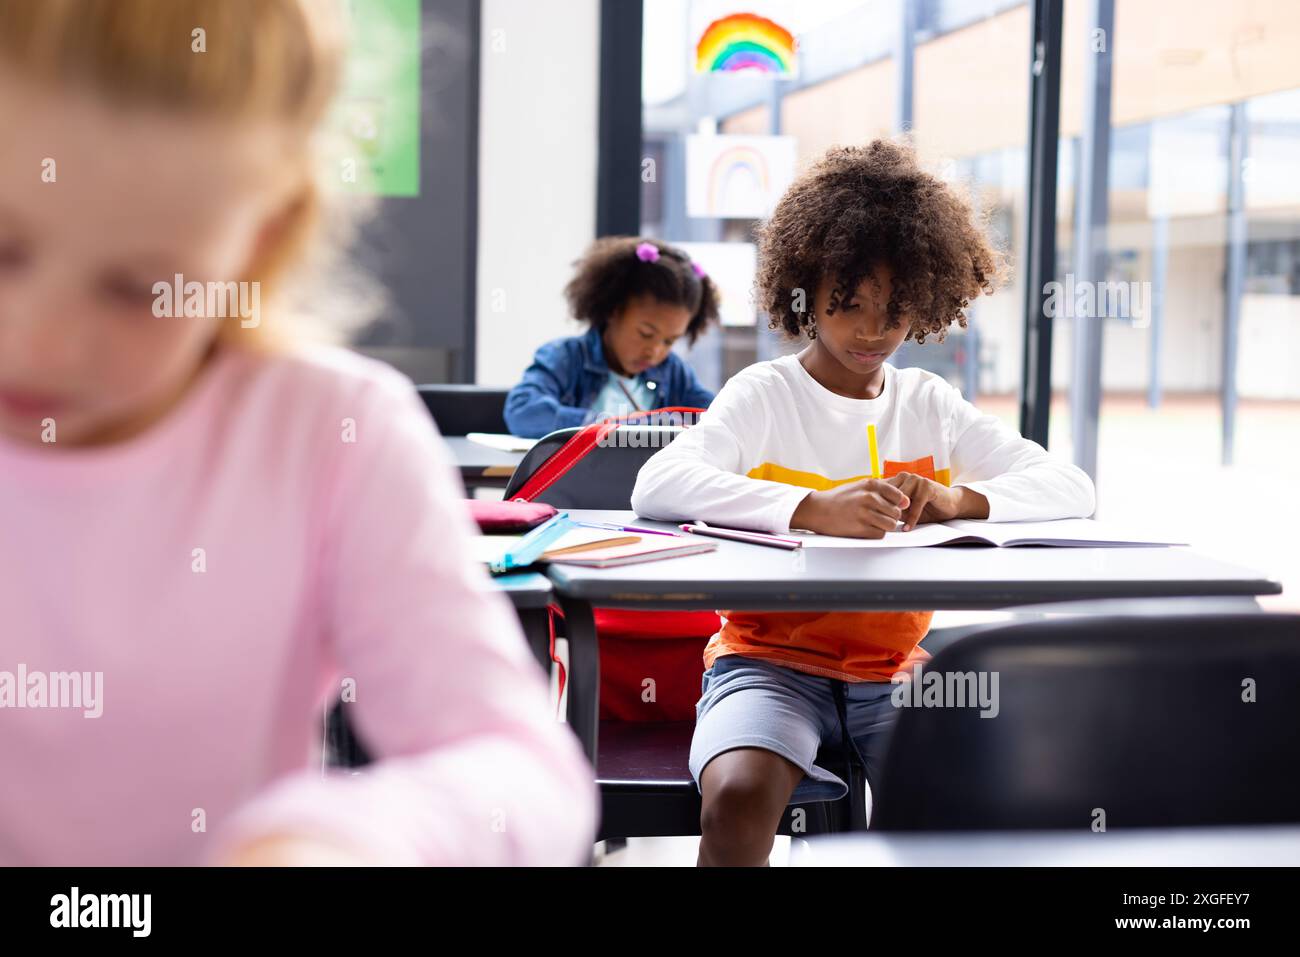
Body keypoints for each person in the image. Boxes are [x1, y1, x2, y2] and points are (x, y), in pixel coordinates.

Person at [0, 0, 595, 866]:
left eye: (134, 287)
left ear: (260, 242)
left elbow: (524, 772)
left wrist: (341, 838)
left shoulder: (328, 435)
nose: (40, 339)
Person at [631, 139, 1096, 866]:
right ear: (806, 292)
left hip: (896, 668)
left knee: (982, 807)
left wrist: (954, 498)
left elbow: (1072, 488)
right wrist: (813, 508)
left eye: (895, 310)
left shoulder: (930, 405)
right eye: (849, 306)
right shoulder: (766, 394)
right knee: (737, 798)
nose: (873, 331)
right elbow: (656, 484)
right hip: (769, 663)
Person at [504, 237, 719, 438]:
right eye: (646, 334)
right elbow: (523, 412)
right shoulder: (565, 358)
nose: (655, 351)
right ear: (613, 310)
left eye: (669, 341)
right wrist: (610, 426)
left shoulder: (673, 372)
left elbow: (718, 417)